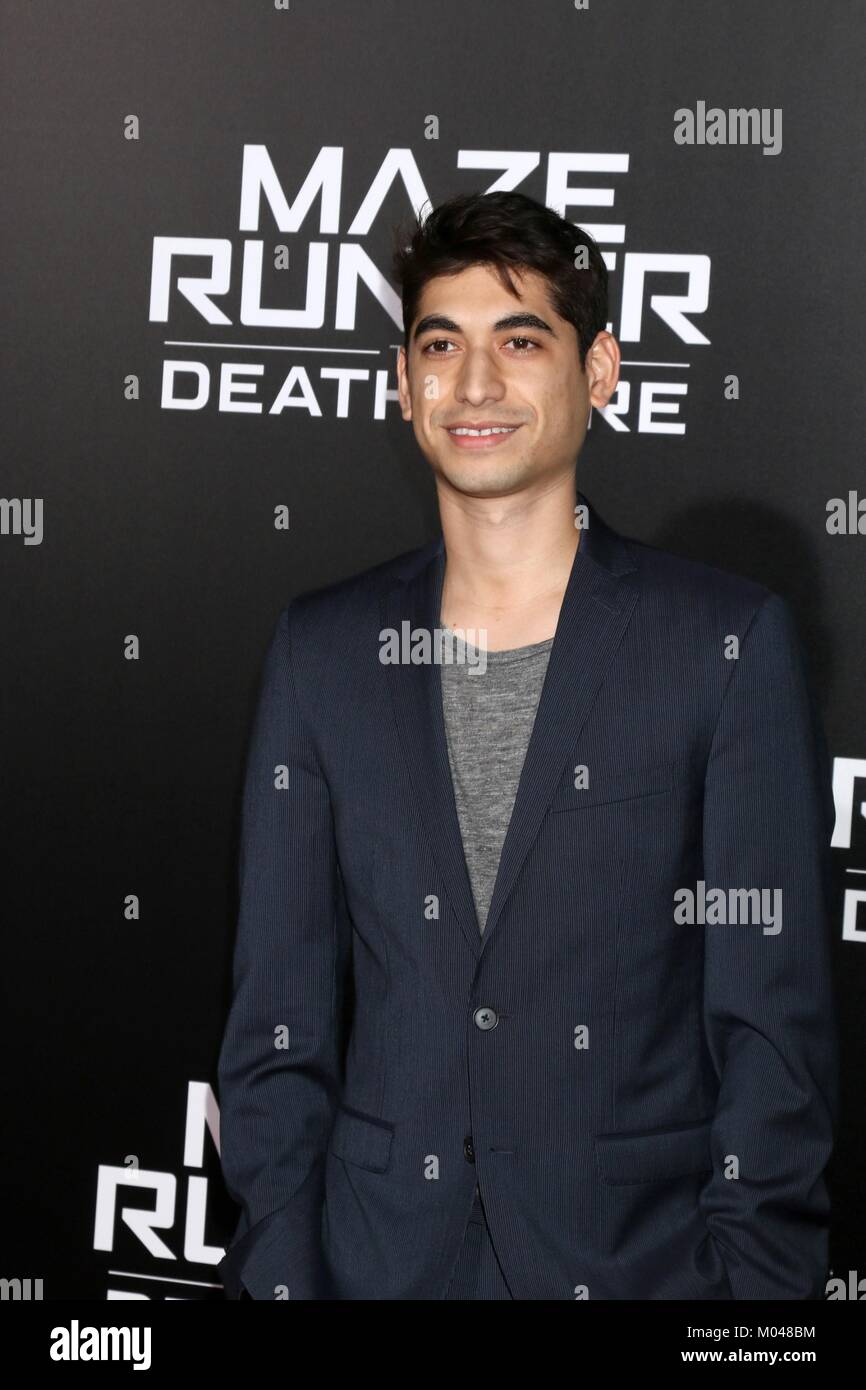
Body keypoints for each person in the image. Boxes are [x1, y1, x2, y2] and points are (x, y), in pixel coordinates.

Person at [216, 190, 838, 1300]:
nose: (474, 386)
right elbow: (278, 1023)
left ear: (596, 371)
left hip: (640, 1272)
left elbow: (770, 1034)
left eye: (519, 340)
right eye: (438, 345)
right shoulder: (322, 650)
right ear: (402, 382)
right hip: (375, 1267)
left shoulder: (724, 643)